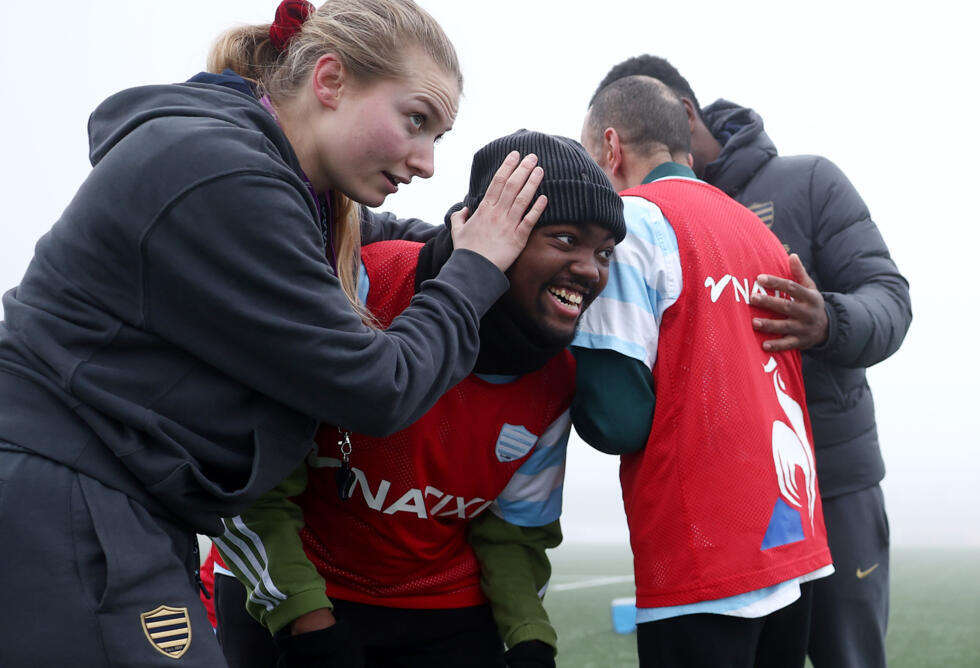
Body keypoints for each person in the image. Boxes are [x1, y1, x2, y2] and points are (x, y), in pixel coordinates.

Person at [0, 1, 548, 665]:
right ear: (330, 81)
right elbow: (378, 388)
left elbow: (370, 239)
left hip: (112, 501)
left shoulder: (279, 182)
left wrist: (507, 252)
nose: (427, 161)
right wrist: (476, 269)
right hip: (67, 497)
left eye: (438, 136)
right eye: (415, 120)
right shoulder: (222, 173)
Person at [206, 129, 625, 668]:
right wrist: (306, 623)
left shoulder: (558, 374)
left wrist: (529, 638)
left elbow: (515, 529)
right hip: (296, 588)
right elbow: (254, 487)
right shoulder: (361, 286)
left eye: (605, 252)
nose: (592, 269)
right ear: (491, 232)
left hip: (440, 603)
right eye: (566, 239)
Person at [591, 55, 912, 668]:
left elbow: (891, 299)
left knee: (847, 654)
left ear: (679, 116)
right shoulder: (647, 218)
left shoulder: (808, 181)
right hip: (729, 489)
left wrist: (828, 321)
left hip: (831, 477)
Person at [573, 75, 833, 667]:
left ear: (611, 149)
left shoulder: (630, 221)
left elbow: (616, 419)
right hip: (793, 536)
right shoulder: (758, 230)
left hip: (703, 555)